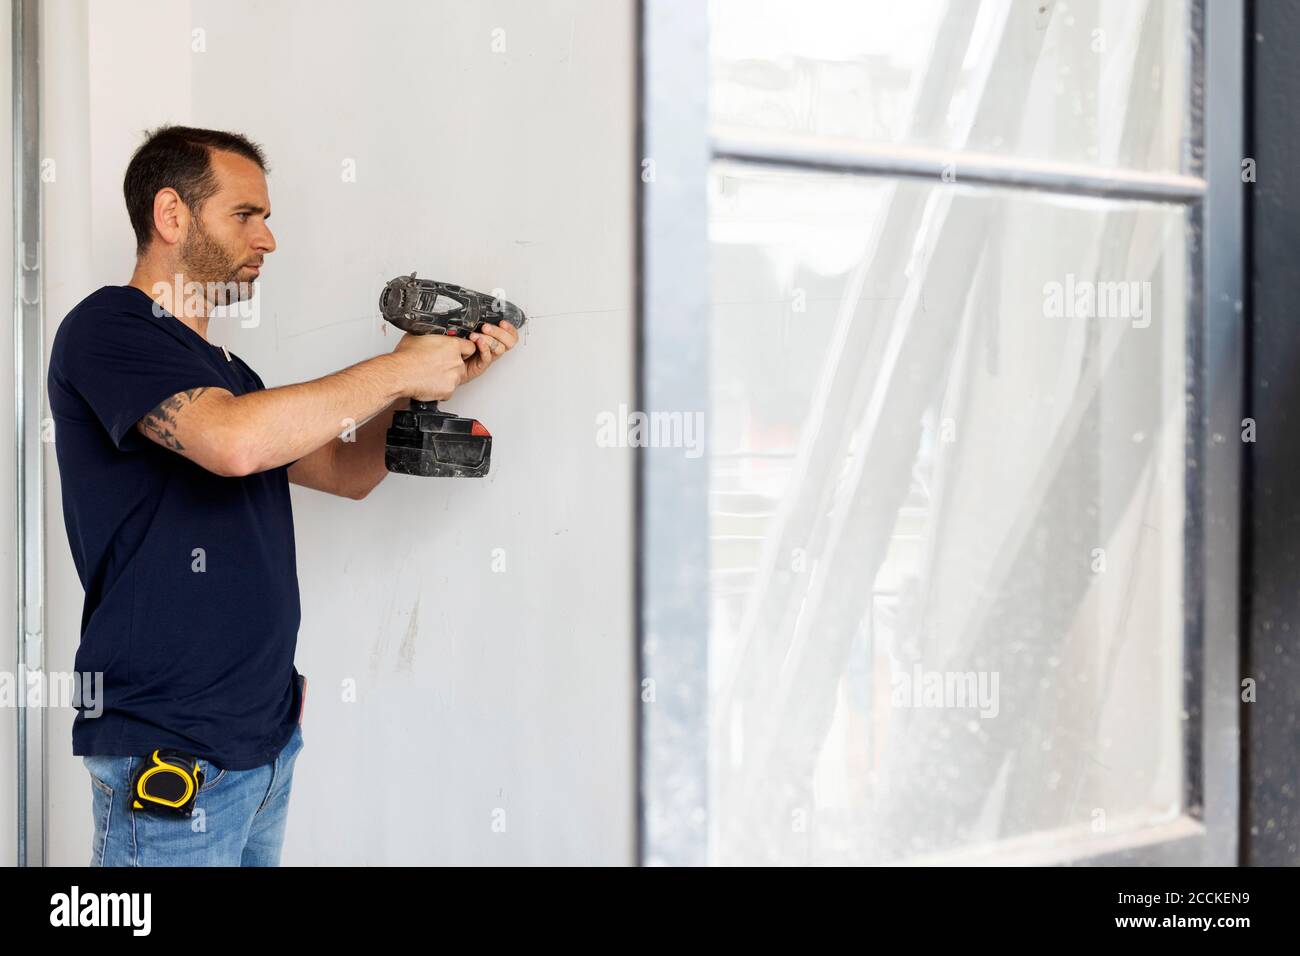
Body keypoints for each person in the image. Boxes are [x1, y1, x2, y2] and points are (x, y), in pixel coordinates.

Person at [47, 125, 519, 866]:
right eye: (246, 215)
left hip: (264, 749)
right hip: (173, 764)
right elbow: (233, 444)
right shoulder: (108, 328)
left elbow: (348, 470)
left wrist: (439, 369)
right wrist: (397, 371)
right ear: (171, 215)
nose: (268, 239)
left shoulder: (232, 374)